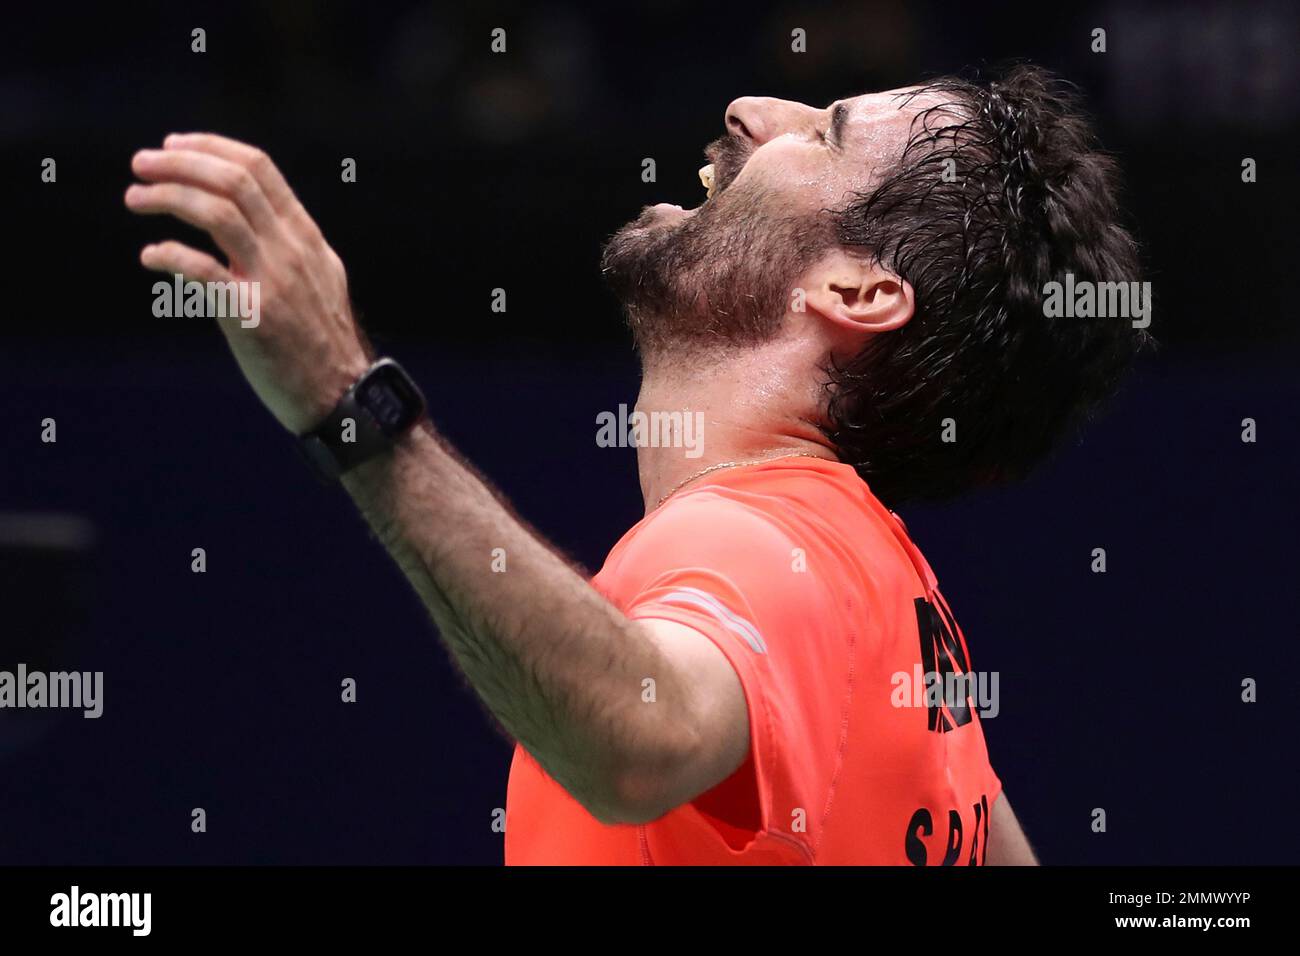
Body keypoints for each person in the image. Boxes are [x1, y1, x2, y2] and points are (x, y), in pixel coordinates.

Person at [124, 64, 1144, 864]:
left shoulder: (756, 542)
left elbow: (639, 740)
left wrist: (348, 402)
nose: (749, 110)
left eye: (824, 133)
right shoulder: (900, 613)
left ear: (855, 289)